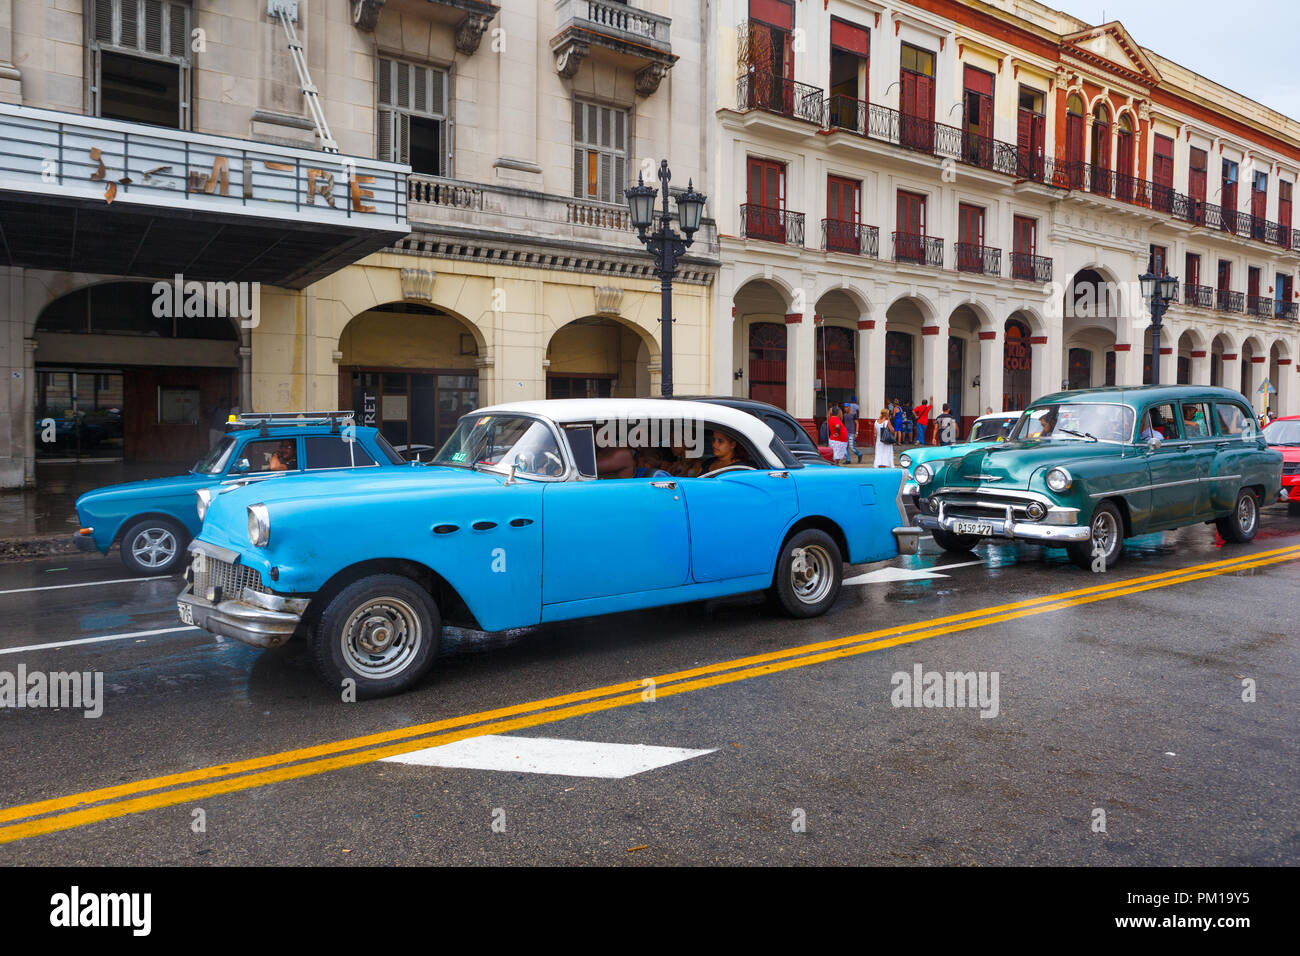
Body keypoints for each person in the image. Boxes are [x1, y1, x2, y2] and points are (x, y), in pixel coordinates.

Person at [843, 395, 861, 463]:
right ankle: (848, 459)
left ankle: (859, 454)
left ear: (849, 407)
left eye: (846, 407)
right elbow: (845, 424)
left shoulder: (853, 415)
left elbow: (857, 423)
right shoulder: (844, 415)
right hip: (846, 432)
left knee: (851, 447)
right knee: (845, 447)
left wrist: (856, 433)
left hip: (852, 433)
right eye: (844, 407)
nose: (845, 408)